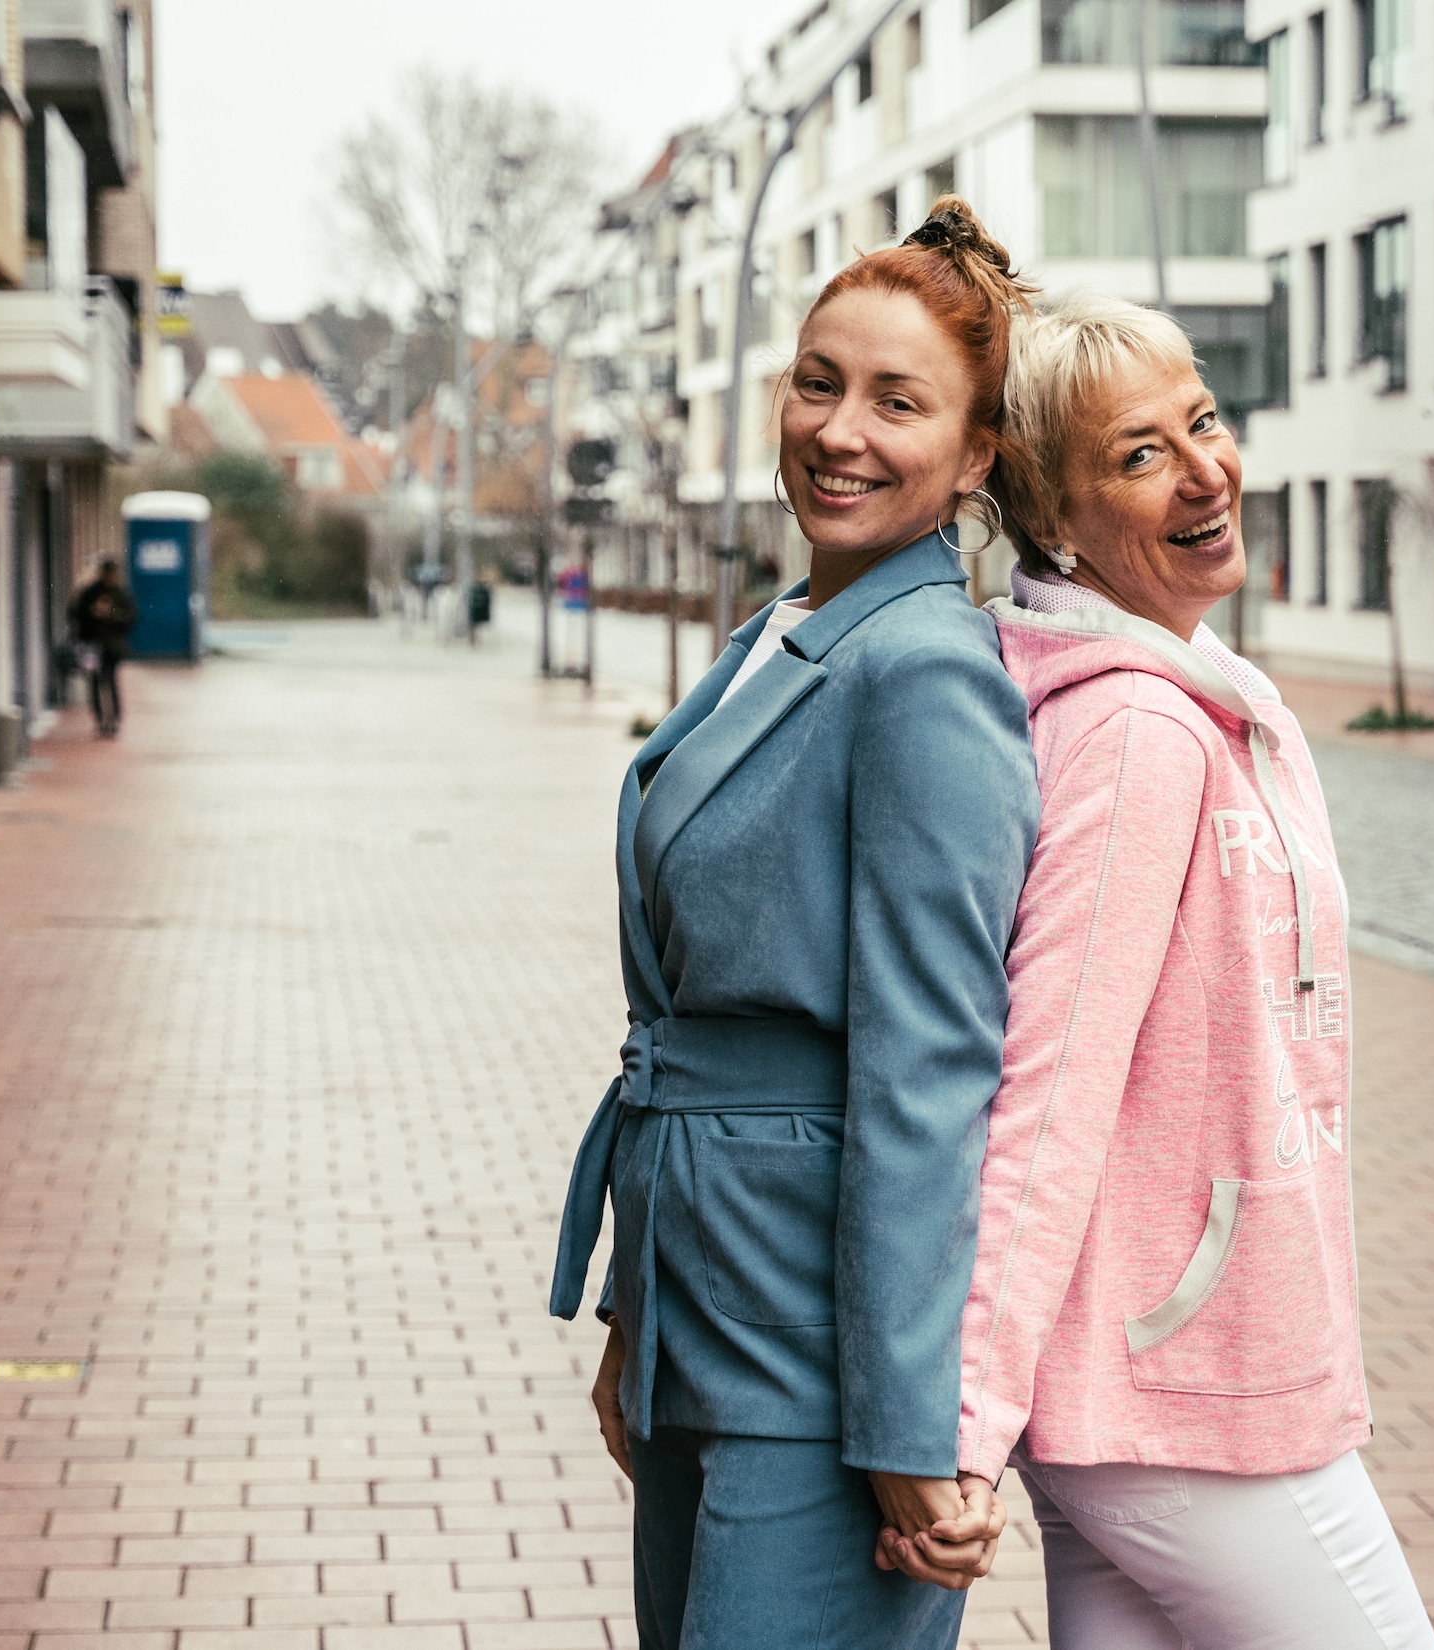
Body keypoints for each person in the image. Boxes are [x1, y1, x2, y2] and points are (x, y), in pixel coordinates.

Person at [888, 289, 1434, 1648]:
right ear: (1058, 522)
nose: (1206, 472)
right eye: (1141, 453)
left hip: (1150, 1372)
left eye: (1203, 421)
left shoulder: (1197, 693)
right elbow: (1048, 1083)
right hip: (1181, 1395)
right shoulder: (1142, 731)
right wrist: (961, 1421)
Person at [548, 197, 1040, 1650]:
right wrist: (644, 1317)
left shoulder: (925, 673)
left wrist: (903, 1424)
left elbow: (929, 1069)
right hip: (709, 1299)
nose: (841, 429)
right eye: (819, 382)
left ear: (977, 453)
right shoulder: (783, 632)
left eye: (900, 401)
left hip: (821, 1357)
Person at [70, 559, 136, 737]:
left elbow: (131, 618)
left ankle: (114, 719)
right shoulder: (90, 593)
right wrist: (93, 612)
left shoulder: (121, 594)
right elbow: (76, 615)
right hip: (92, 645)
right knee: (94, 681)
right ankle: (100, 719)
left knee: (111, 679)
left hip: (113, 646)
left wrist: (112, 614)